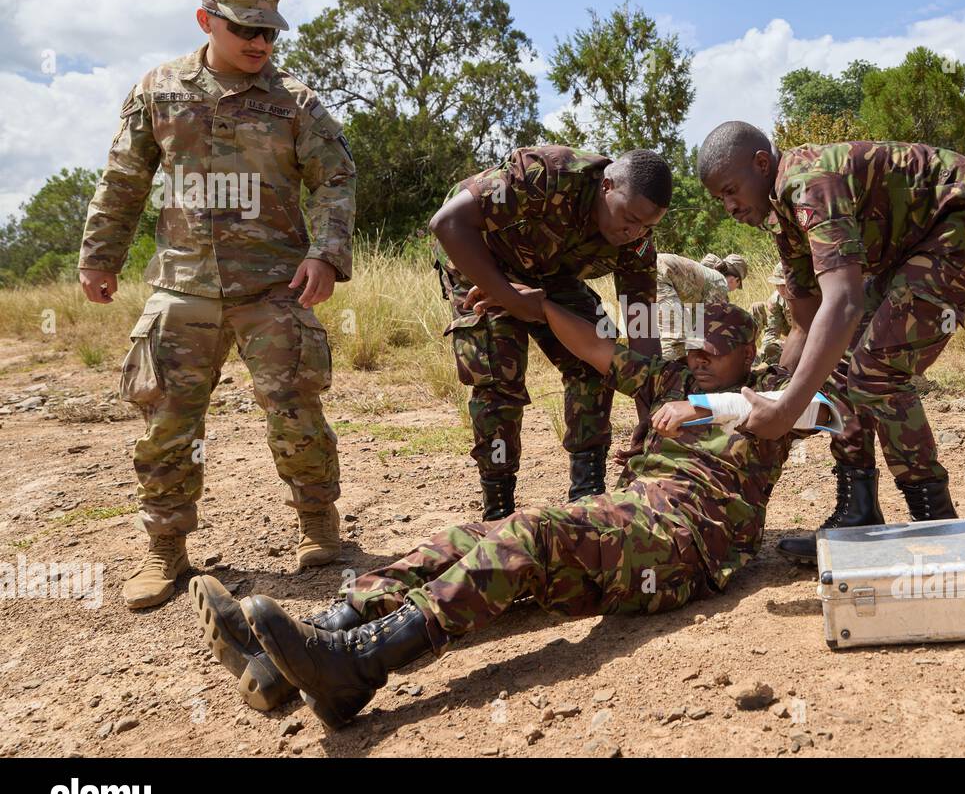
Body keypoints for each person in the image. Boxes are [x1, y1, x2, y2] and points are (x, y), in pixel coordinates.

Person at [191, 300, 838, 724]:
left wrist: (711, 406)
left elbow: (827, 410)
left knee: (532, 532)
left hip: (682, 546)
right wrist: (524, 299)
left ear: (745, 355)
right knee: (475, 536)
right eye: (692, 350)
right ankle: (303, 647)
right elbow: (593, 348)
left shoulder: (770, 406)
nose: (697, 362)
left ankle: (356, 662)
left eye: (712, 354)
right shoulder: (671, 382)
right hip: (629, 517)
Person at [79, 0, 356, 608]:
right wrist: (100, 256)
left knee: (297, 409)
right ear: (207, 20)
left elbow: (337, 178)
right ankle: (164, 548)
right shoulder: (160, 90)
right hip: (184, 286)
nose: (260, 44)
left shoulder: (295, 102)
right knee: (167, 420)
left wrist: (327, 252)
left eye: (270, 32)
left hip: (273, 285)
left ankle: (319, 525)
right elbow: (123, 180)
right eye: (245, 30)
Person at [696, 122, 965, 563]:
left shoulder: (807, 183)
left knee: (876, 369)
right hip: (920, 243)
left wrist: (787, 410)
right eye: (718, 198)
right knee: (839, 367)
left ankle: (937, 522)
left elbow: (844, 302)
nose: (728, 206)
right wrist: (774, 389)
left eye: (730, 190)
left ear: (762, 164)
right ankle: (858, 510)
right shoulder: (782, 219)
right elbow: (806, 320)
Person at [429, 146, 670, 520]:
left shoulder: (637, 242)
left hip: (551, 277)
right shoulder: (547, 175)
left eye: (647, 226)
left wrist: (649, 414)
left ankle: (587, 495)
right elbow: (447, 223)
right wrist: (511, 299)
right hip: (482, 259)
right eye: (630, 218)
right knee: (499, 375)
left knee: (596, 355)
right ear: (607, 185)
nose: (633, 231)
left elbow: (642, 328)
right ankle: (498, 509)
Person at [655, 251, 748, 359]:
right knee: (674, 343)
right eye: (737, 286)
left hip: (649, 267)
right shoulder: (720, 283)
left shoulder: (706, 276)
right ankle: (668, 373)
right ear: (735, 280)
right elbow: (704, 327)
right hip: (662, 274)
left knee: (647, 334)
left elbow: (692, 321)